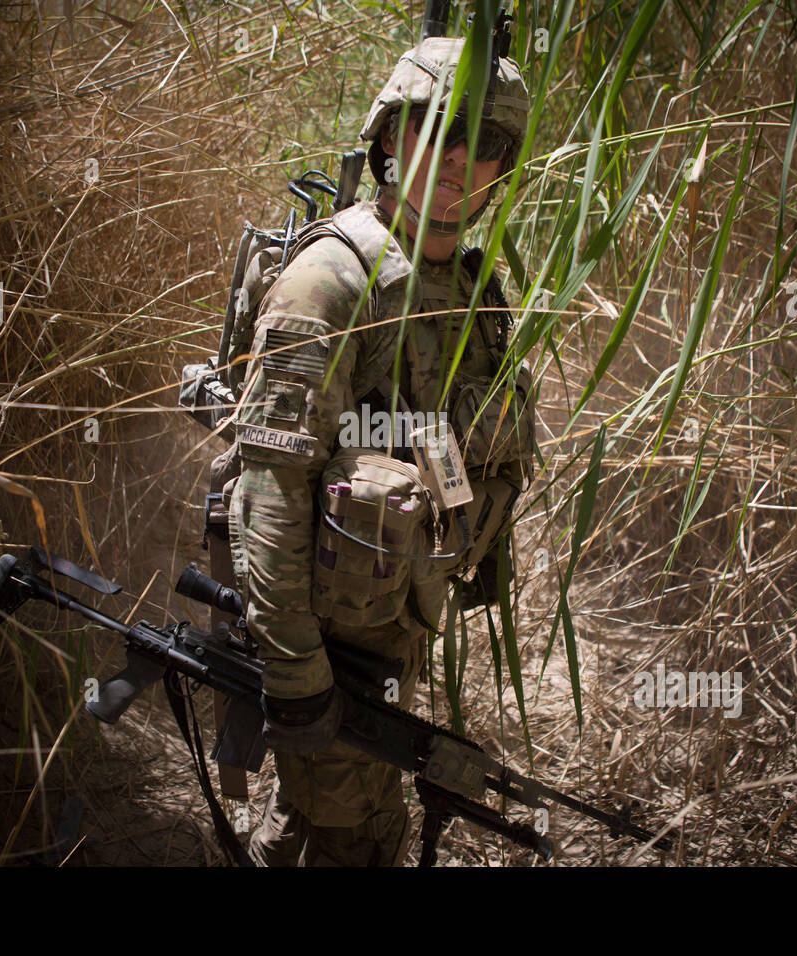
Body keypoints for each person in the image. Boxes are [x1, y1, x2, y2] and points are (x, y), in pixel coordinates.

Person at [225, 32, 536, 866]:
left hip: (397, 628)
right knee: (352, 838)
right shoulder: (332, 280)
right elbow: (271, 491)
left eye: (490, 143)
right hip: (327, 642)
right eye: (441, 129)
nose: (461, 161)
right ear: (393, 134)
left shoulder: (474, 292)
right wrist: (295, 676)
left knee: (328, 831)